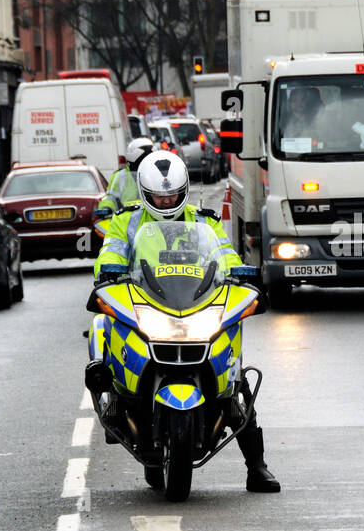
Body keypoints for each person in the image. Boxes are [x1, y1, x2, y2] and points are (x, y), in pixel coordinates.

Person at [91, 150, 280, 493]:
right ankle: (114, 399)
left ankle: (257, 467)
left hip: (194, 305)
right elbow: (109, 256)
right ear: (145, 193)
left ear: (184, 190)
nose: (166, 200)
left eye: (173, 194)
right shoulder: (126, 222)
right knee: (107, 336)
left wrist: (240, 274)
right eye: (159, 195)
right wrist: (109, 270)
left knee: (235, 383)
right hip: (148, 304)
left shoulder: (203, 221)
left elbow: (226, 256)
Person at [97, 137, 156, 225]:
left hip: (153, 219)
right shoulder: (119, 176)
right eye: (143, 159)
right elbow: (111, 197)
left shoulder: (157, 174)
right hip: (126, 220)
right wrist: (106, 207)